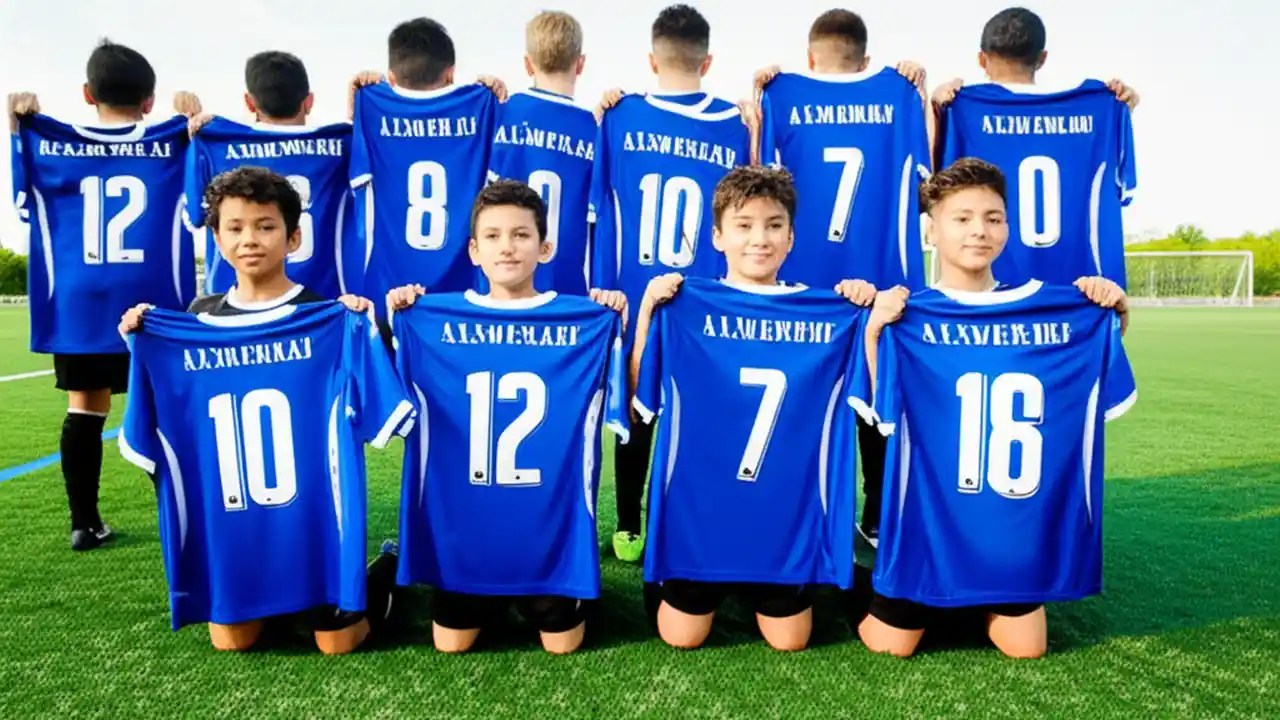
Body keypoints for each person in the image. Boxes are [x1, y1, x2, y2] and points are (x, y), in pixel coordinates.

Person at [854, 157, 1134, 659]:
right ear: (930, 229)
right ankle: (871, 580)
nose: (979, 231)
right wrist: (875, 329)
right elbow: (879, 413)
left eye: (993, 218)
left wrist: (1114, 315)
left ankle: (971, 600)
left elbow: (1089, 379)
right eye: (962, 218)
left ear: (1007, 226)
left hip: (1008, 537)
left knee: (1026, 650)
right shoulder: (907, 315)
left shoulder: (1051, 310)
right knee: (888, 646)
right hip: (929, 532)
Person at [118, 166, 405, 654]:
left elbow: (380, 413)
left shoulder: (327, 317)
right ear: (216, 238)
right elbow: (163, 427)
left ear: (294, 237)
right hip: (236, 529)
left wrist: (363, 325)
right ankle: (270, 597)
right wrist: (141, 342)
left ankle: (384, 572)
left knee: (338, 644)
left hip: (313, 532)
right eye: (234, 227)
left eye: (266, 226)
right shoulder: (195, 320)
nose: (249, 239)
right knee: (232, 642)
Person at [629, 166, 877, 651]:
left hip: (782, 515)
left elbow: (870, 400)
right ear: (717, 236)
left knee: (790, 641)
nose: (759, 239)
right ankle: (676, 580)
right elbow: (640, 399)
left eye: (773, 225)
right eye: (743, 225)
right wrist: (646, 312)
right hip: (701, 515)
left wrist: (866, 317)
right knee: (682, 637)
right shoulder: (684, 304)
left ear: (791, 237)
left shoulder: (829, 313)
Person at [386, 180, 628, 655]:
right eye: (493, 236)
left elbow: (629, 400)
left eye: (521, 235)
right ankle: (391, 574)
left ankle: (560, 593)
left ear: (545, 247)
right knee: (450, 645)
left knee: (562, 647)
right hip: (467, 539)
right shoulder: (426, 318)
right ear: (474, 251)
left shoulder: (586, 322)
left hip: (548, 538)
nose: (507, 247)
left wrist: (616, 315)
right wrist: (393, 314)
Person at [7, 39, 202, 551]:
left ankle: (85, 522)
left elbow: (21, 199)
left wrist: (17, 127)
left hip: (80, 302)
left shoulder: (49, 142)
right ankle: (182, 519)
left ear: (87, 93)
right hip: (152, 300)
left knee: (85, 409)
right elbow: (201, 204)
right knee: (163, 411)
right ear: (149, 100)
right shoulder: (174, 140)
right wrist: (193, 123)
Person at [751, 8, 932, 549]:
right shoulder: (899, 95)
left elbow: (758, 182)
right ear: (865, 57)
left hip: (802, 284)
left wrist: (759, 97)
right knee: (879, 399)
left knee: (805, 402)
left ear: (810, 57)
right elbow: (927, 187)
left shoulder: (781, 95)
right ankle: (877, 518)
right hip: (886, 281)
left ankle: (804, 513)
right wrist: (927, 98)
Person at [590, 4, 754, 564]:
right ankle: (696, 516)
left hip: (633, 290)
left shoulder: (619, 115)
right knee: (703, 408)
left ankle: (628, 525)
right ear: (708, 61)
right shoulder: (734, 123)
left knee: (636, 407)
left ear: (651, 59)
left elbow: (598, 208)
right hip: (705, 296)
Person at [928, 7, 1139, 287]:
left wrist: (935, 111)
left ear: (981, 59)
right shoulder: (1103, 109)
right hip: (1079, 293)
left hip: (987, 291)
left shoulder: (958, 110)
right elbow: (1121, 188)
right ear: (1042, 58)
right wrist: (1119, 113)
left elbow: (927, 184)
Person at [347, 18, 507, 314]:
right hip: (463, 294)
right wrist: (495, 99)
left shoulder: (371, 107)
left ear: (391, 77)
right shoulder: (481, 107)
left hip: (386, 293)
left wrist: (359, 106)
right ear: (451, 74)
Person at [184, 51, 354, 298]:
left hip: (235, 303)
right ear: (309, 101)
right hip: (320, 301)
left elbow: (194, 218)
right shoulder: (345, 143)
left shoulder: (216, 143)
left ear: (249, 103)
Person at [485, 10, 595, 295]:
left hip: (504, 283)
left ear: (527, 64)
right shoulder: (594, 130)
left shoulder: (502, 114)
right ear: (580, 64)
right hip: (565, 290)